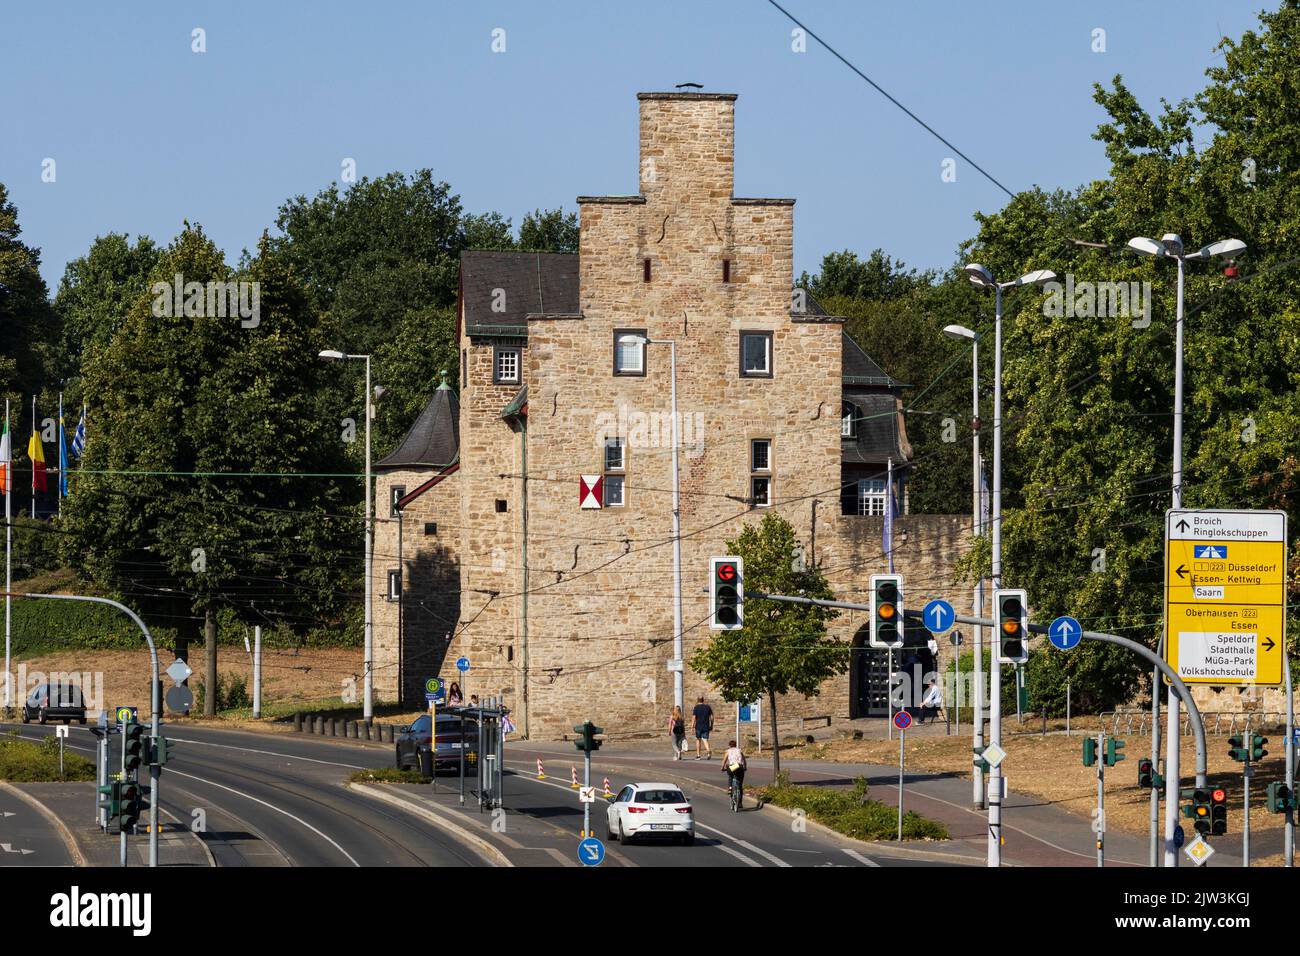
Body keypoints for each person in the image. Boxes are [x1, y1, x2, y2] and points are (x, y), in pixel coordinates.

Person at [721, 739, 747, 807]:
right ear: (735, 745)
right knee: (740, 785)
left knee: (730, 776)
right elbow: (744, 759)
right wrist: (745, 767)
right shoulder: (739, 750)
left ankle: (730, 788)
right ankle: (740, 803)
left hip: (732, 767)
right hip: (740, 766)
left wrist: (722, 768)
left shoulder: (728, 751)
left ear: (729, 745)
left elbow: (724, 760)